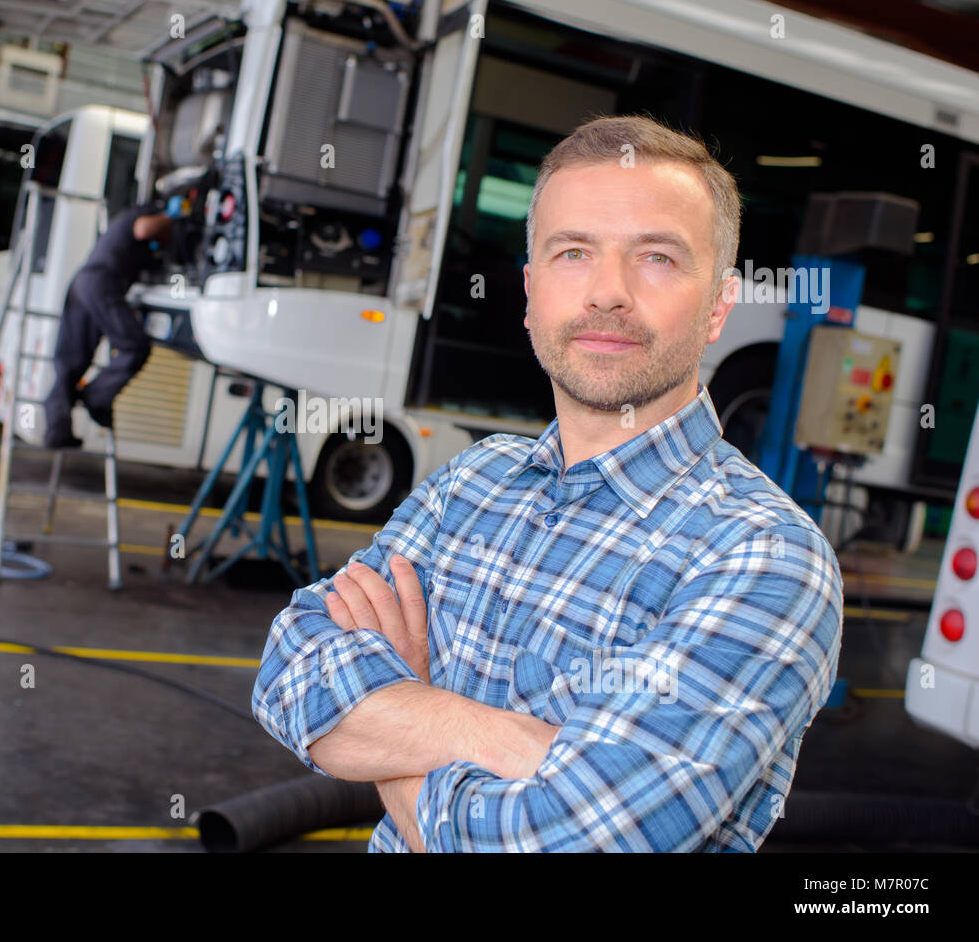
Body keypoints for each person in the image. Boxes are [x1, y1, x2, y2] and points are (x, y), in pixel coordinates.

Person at [251, 115, 844, 852]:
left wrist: (392, 719)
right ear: (531, 292)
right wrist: (509, 739)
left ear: (720, 304)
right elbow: (287, 666)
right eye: (573, 253)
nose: (607, 293)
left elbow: (564, 844)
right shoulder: (473, 481)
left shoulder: (765, 557)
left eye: (656, 257)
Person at [43, 202, 174, 448]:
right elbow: (145, 229)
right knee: (135, 347)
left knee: (72, 362)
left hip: (83, 283)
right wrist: (171, 218)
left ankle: (57, 431)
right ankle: (97, 397)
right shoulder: (141, 217)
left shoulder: (124, 228)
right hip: (100, 284)